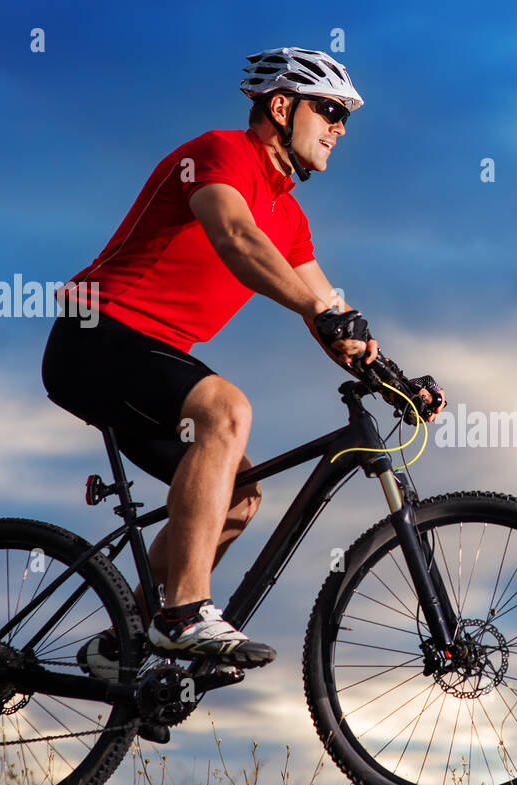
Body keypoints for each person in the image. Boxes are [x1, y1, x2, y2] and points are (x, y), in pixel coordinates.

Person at [40, 47, 444, 680]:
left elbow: (326, 307)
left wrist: (386, 372)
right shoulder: (222, 153)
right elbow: (234, 236)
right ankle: (184, 614)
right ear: (281, 106)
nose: (341, 128)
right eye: (331, 111)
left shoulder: (290, 216)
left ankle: (128, 645)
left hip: (150, 355)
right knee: (226, 410)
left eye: (347, 119)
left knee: (239, 494)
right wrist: (321, 309)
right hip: (97, 336)